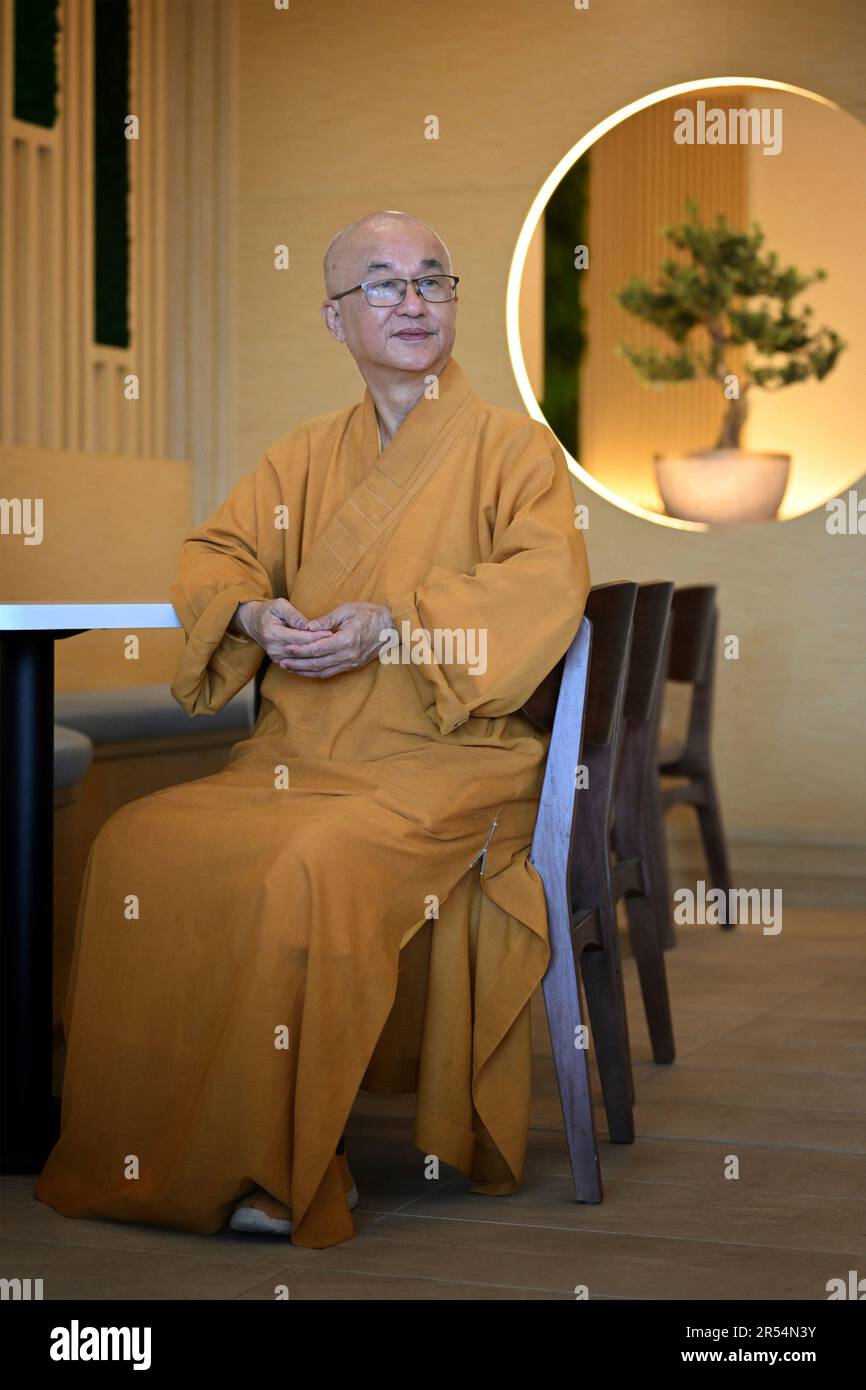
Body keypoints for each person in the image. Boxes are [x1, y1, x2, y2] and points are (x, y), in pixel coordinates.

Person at [35, 210, 591, 1248]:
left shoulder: (514, 449)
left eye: (433, 278)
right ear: (334, 319)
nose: (413, 300)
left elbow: (543, 585)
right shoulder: (299, 457)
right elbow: (213, 556)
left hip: (451, 758)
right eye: (381, 284)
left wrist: (397, 621)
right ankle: (144, 1153)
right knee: (133, 842)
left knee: (306, 859)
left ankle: (267, 1167)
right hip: (299, 756)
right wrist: (251, 612)